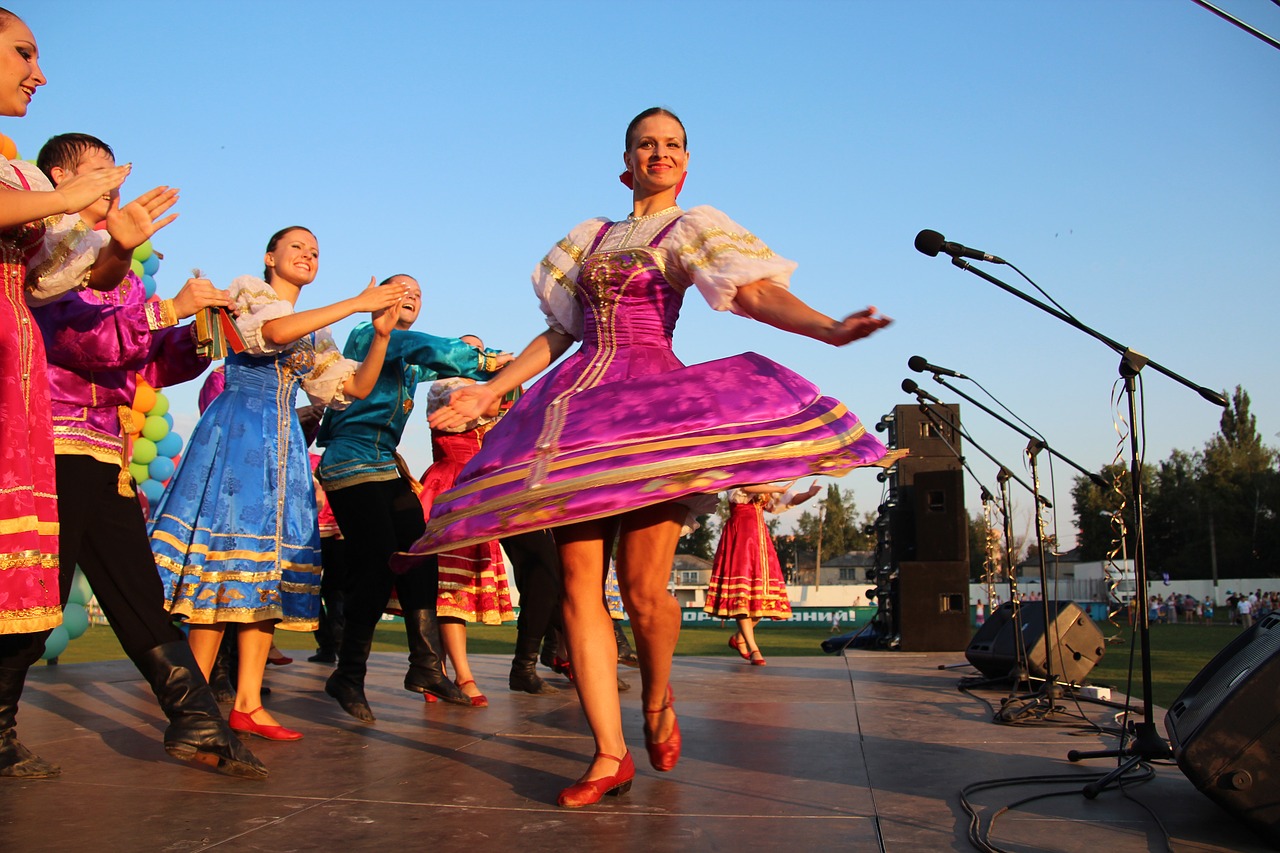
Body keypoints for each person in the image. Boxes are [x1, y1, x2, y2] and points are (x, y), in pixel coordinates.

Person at [413, 108, 898, 807]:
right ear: (627, 161)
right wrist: (491, 389)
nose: (660, 152)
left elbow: (754, 291)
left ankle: (659, 691)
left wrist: (825, 327)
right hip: (578, 405)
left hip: (652, 412)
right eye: (648, 144)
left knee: (644, 589)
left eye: (672, 144)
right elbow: (559, 333)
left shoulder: (691, 227)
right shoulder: (589, 237)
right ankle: (608, 753)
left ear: (687, 161)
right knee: (582, 583)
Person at [31, 132, 266, 779]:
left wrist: (195, 335)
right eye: (99, 172)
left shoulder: (120, 266)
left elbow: (145, 364)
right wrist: (170, 305)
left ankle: (198, 721)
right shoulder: (48, 250)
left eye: (116, 172)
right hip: (50, 441)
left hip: (104, 449)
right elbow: (85, 345)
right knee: (34, 595)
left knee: (138, 591)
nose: (114, 184)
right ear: (57, 178)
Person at [0, 7, 178, 778]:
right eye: (23, 54)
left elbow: (55, 285)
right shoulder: (31, 187)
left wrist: (122, 248)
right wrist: (72, 201)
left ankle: (200, 719)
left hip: (22, 373)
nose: (38, 73)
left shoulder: (16, 170)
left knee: (54, 575)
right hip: (59, 413)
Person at [150, 227, 406, 742]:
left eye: (316, 250)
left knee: (267, 567)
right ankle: (197, 704)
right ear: (270, 257)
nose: (309, 254)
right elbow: (272, 335)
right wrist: (357, 302)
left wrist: (380, 333)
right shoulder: (249, 291)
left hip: (283, 447)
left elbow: (352, 387)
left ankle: (247, 703)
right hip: (239, 432)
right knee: (222, 563)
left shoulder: (319, 332)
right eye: (297, 247)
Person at [316, 276, 507, 723]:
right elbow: (426, 348)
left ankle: (424, 666)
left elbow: (439, 365)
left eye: (419, 294)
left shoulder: (407, 362)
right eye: (402, 290)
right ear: (380, 299)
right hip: (350, 461)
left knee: (419, 555)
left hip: (385, 464)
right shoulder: (370, 336)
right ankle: (348, 674)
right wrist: (481, 357)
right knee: (380, 565)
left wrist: (497, 371)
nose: (412, 297)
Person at [419, 363, 516, 708]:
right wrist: (500, 376)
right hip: (447, 491)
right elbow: (488, 405)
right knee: (447, 589)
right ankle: (461, 674)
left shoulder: (484, 397)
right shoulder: (445, 391)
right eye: (470, 349)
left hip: (474, 495)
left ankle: (437, 671)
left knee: (454, 588)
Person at [704, 482, 821, 666]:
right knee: (742, 597)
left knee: (760, 600)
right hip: (740, 536)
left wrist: (809, 494)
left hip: (759, 541)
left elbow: (787, 500)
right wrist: (777, 488)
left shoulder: (765, 485)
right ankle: (754, 649)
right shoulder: (740, 477)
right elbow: (746, 489)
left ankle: (739, 638)